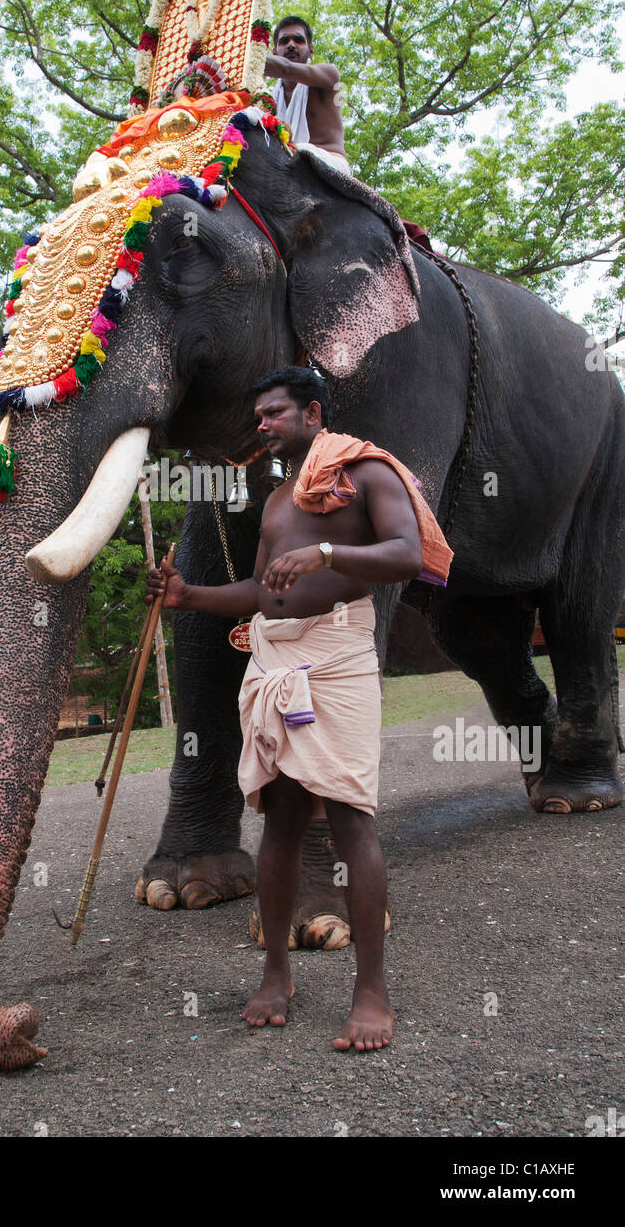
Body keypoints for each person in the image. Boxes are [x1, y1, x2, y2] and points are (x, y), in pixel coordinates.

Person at [147, 367, 453, 1052]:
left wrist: (323, 554)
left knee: (350, 819)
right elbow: (260, 590)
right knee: (279, 819)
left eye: (275, 412)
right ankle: (276, 973)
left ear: (313, 411)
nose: (262, 423)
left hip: (337, 655)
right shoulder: (280, 498)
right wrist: (188, 596)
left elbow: (406, 555)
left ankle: (371, 991)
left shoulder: (366, 472)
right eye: (257, 414)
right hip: (273, 658)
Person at [264, 16, 351, 174]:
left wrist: (244, 58)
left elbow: (286, 69)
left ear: (310, 50)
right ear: (274, 52)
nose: (291, 45)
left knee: (297, 152)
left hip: (331, 162)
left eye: (298, 40)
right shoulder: (268, 99)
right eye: (284, 41)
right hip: (286, 167)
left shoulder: (328, 76)